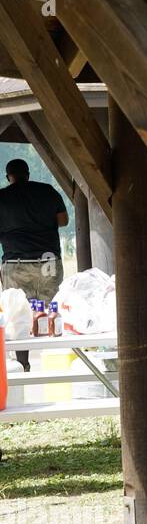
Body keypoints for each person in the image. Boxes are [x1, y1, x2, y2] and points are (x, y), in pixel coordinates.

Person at [0, 158, 68, 371]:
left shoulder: (1, 197)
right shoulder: (47, 191)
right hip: (48, 262)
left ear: (8, 176)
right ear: (28, 173)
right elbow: (63, 220)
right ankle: (59, 363)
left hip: (15, 263)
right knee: (52, 312)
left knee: (19, 316)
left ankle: (23, 364)